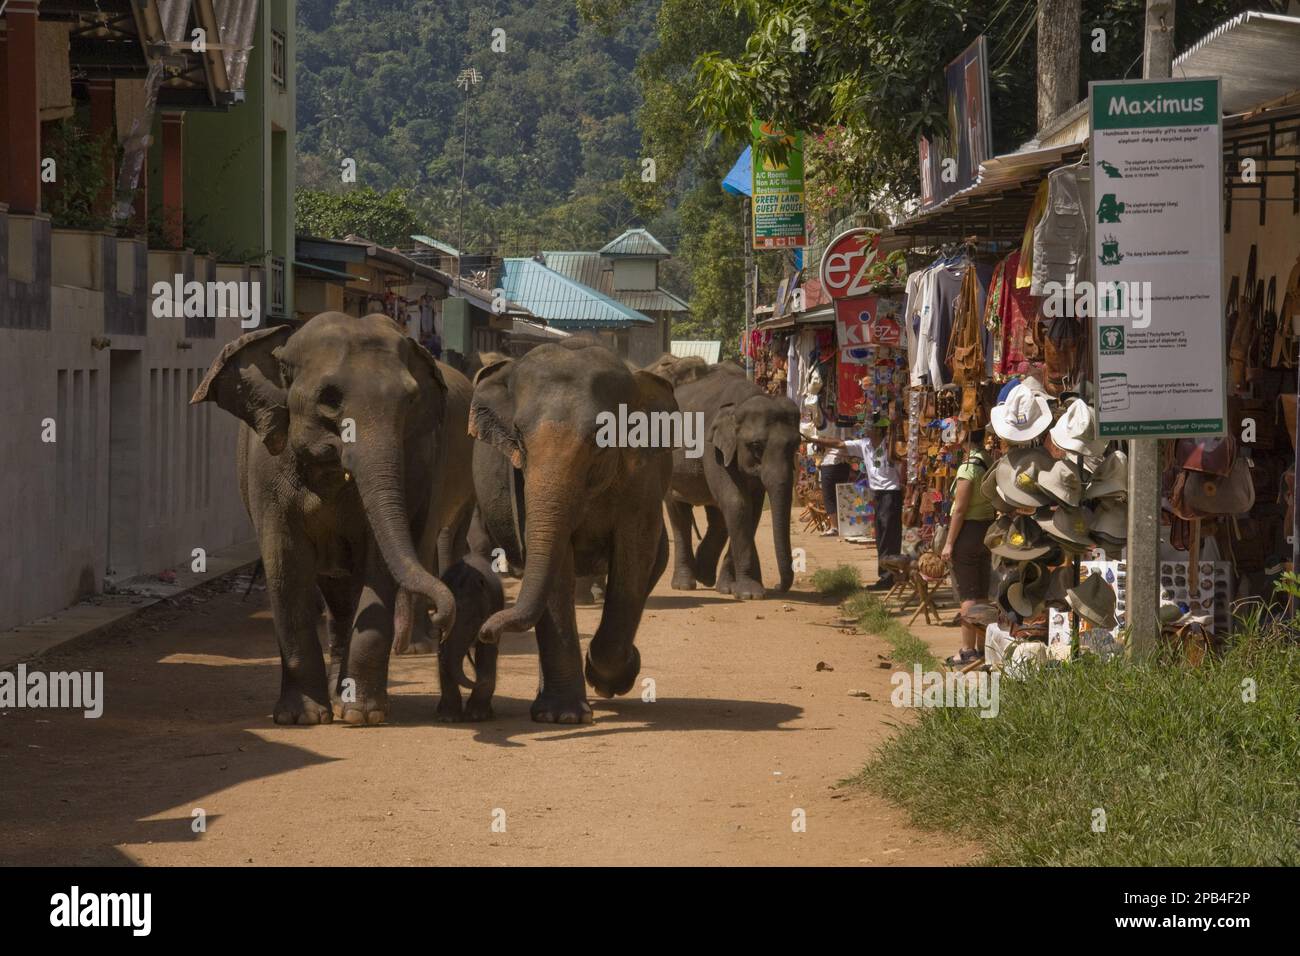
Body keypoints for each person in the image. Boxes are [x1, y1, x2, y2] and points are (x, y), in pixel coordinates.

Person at [812, 418, 902, 589]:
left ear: (877, 430)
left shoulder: (890, 445)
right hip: (878, 494)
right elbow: (839, 443)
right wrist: (815, 440)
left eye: (868, 427)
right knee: (881, 535)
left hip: (891, 493)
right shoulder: (864, 444)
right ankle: (886, 576)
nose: (864, 430)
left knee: (889, 536)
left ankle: (889, 577)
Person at [941, 427, 994, 666]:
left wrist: (949, 543)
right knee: (982, 591)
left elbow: (960, 509)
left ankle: (967, 649)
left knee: (968, 594)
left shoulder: (968, 468)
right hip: (986, 529)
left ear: (964, 437)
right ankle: (982, 647)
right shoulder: (987, 460)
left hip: (968, 531)